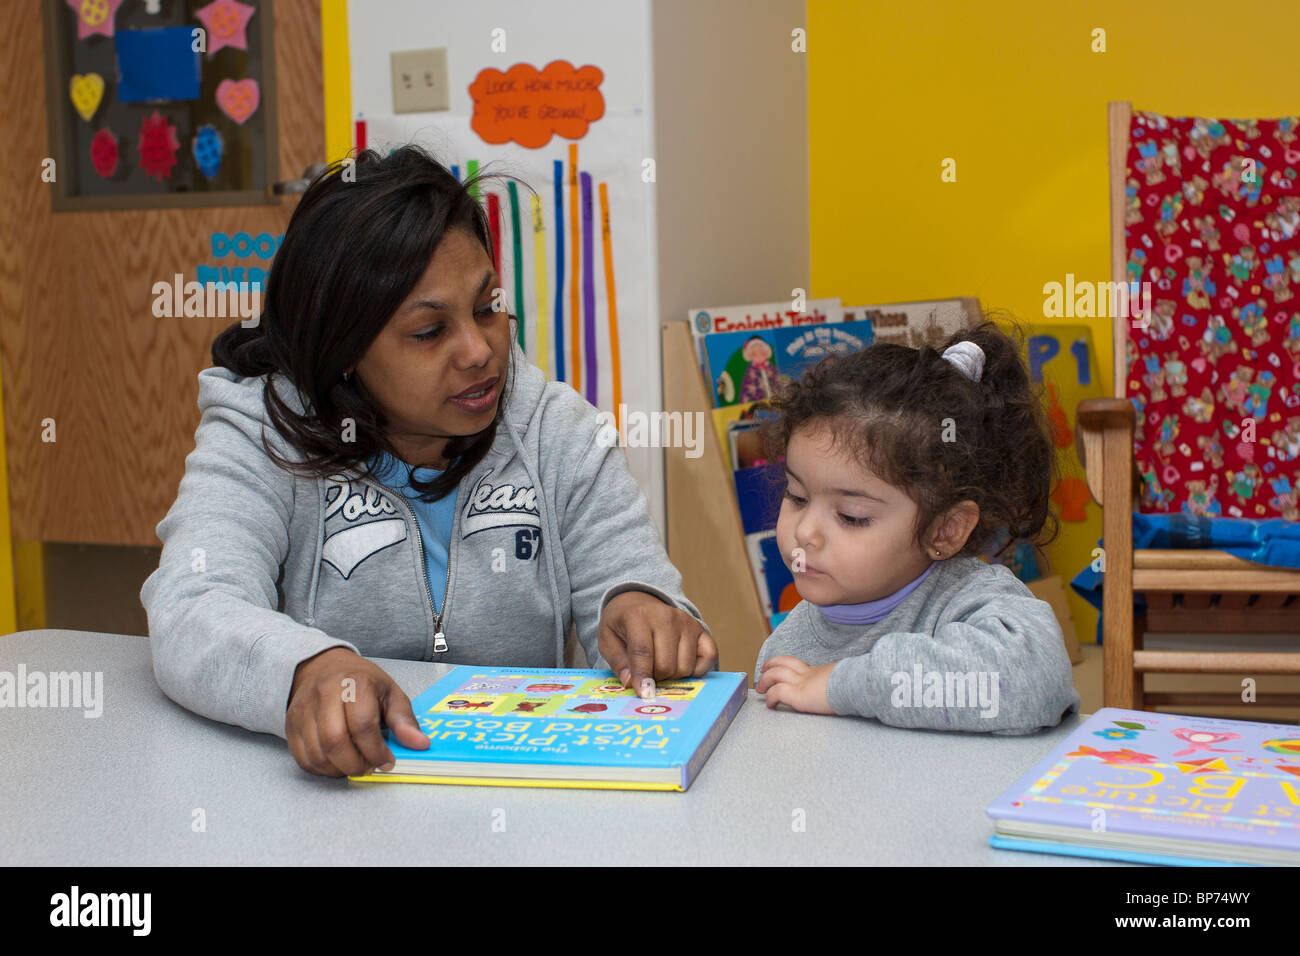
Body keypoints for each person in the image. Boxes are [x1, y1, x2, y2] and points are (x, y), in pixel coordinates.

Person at [140, 146, 715, 777]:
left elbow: (633, 579)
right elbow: (192, 605)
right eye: (428, 331)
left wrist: (640, 610)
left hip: (525, 797)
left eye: (488, 307)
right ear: (343, 347)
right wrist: (308, 669)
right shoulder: (263, 431)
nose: (480, 351)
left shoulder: (555, 428)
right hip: (341, 802)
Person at [753, 320, 1080, 734]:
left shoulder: (970, 603)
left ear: (945, 529)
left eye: (851, 516)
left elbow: (1037, 679)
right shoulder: (787, 646)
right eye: (797, 497)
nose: (805, 533)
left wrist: (844, 686)